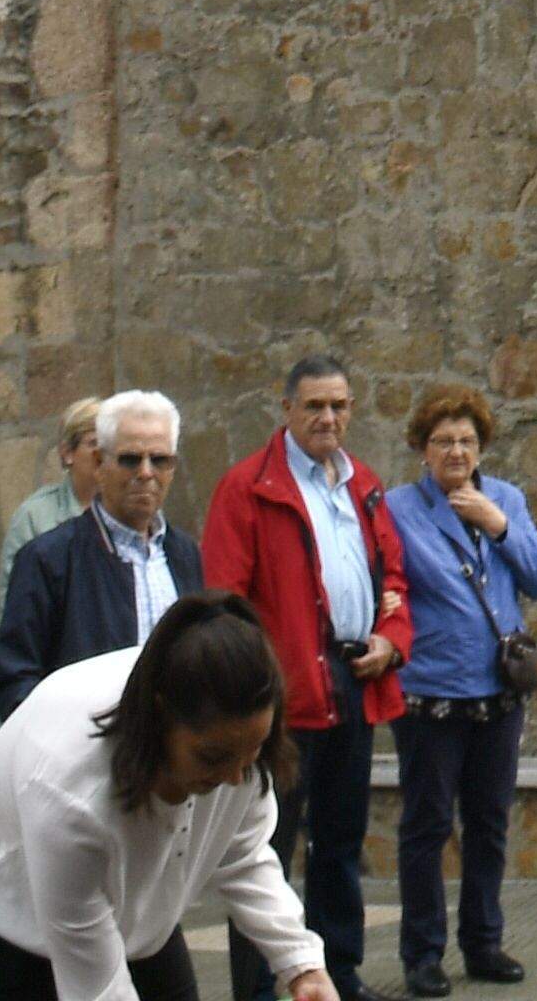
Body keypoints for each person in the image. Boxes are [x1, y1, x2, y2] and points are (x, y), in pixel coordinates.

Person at [0, 594, 338, 1001]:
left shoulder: (238, 742)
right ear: (159, 718)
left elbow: (241, 856)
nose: (235, 776)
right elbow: (97, 990)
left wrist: (301, 963)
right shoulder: (69, 791)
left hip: (128, 912)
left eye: (254, 751)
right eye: (214, 757)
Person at [206, 358, 415, 1001]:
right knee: (262, 853)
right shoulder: (247, 488)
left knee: (340, 844)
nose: (329, 419)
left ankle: (339, 973)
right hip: (282, 701)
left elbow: (394, 582)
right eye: (315, 406)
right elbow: (223, 603)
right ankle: (260, 989)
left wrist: (391, 642)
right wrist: (255, 688)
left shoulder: (365, 484)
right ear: (288, 410)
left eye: (340, 406)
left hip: (354, 682)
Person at [381, 393, 537, 997]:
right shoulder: (399, 509)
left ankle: (483, 942)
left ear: (481, 448)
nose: (456, 452)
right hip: (431, 695)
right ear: (422, 449)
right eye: (443, 441)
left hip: (499, 694)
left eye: (467, 442)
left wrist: (497, 526)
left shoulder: (504, 499)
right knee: (426, 828)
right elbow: (390, 584)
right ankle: (422, 954)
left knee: (490, 823)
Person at [0, 395, 204, 727]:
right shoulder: (48, 560)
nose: (146, 473)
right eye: (130, 460)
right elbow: (11, 681)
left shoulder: (184, 556)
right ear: (98, 463)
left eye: (160, 460)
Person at [11, 398, 112, 560]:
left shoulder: (131, 509)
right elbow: (16, 583)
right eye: (94, 443)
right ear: (67, 453)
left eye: (108, 444)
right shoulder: (33, 517)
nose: (102, 454)